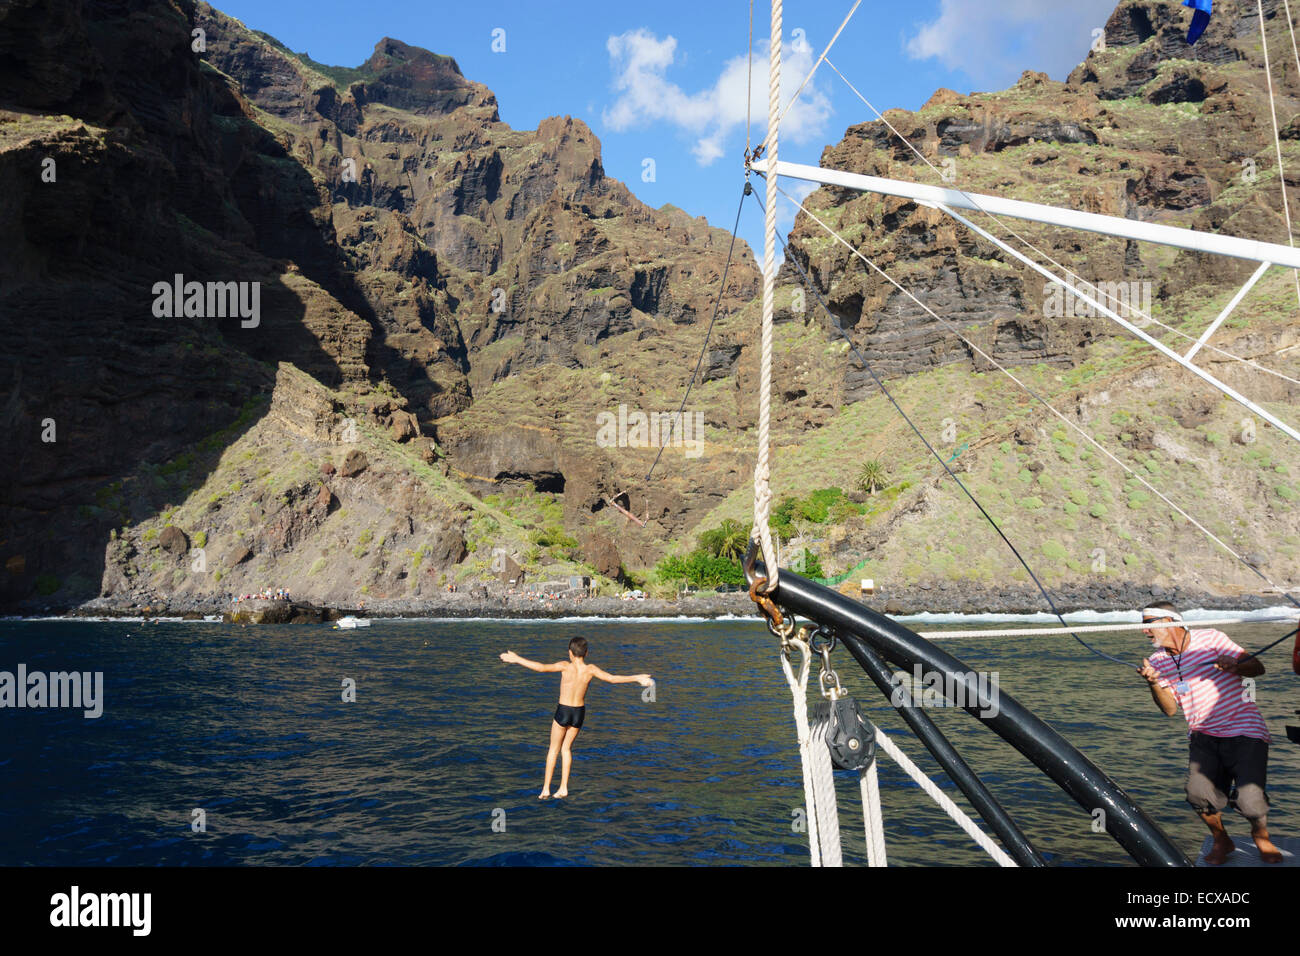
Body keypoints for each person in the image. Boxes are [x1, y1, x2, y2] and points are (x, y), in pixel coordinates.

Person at [1138, 601, 1280, 864]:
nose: (1144, 632)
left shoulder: (1211, 638)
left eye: (1148, 625)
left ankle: (1260, 835)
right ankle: (1221, 839)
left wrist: (1236, 665)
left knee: (1250, 800)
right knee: (1197, 794)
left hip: (1245, 729)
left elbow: (1257, 668)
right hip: (1202, 734)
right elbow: (1169, 710)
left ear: (1169, 622)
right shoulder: (1158, 661)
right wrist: (1154, 683)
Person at [499, 637, 652, 799]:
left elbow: (541, 668)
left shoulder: (565, 666)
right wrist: (637, 677)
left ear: (570, 653)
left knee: (553, 749)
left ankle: (546, 789)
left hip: (563, 710)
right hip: (579, 713)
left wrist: (517, 659)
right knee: (566, 749)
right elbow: (612, 679)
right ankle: (563, 787)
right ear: (586, 653)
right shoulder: (591, 669)